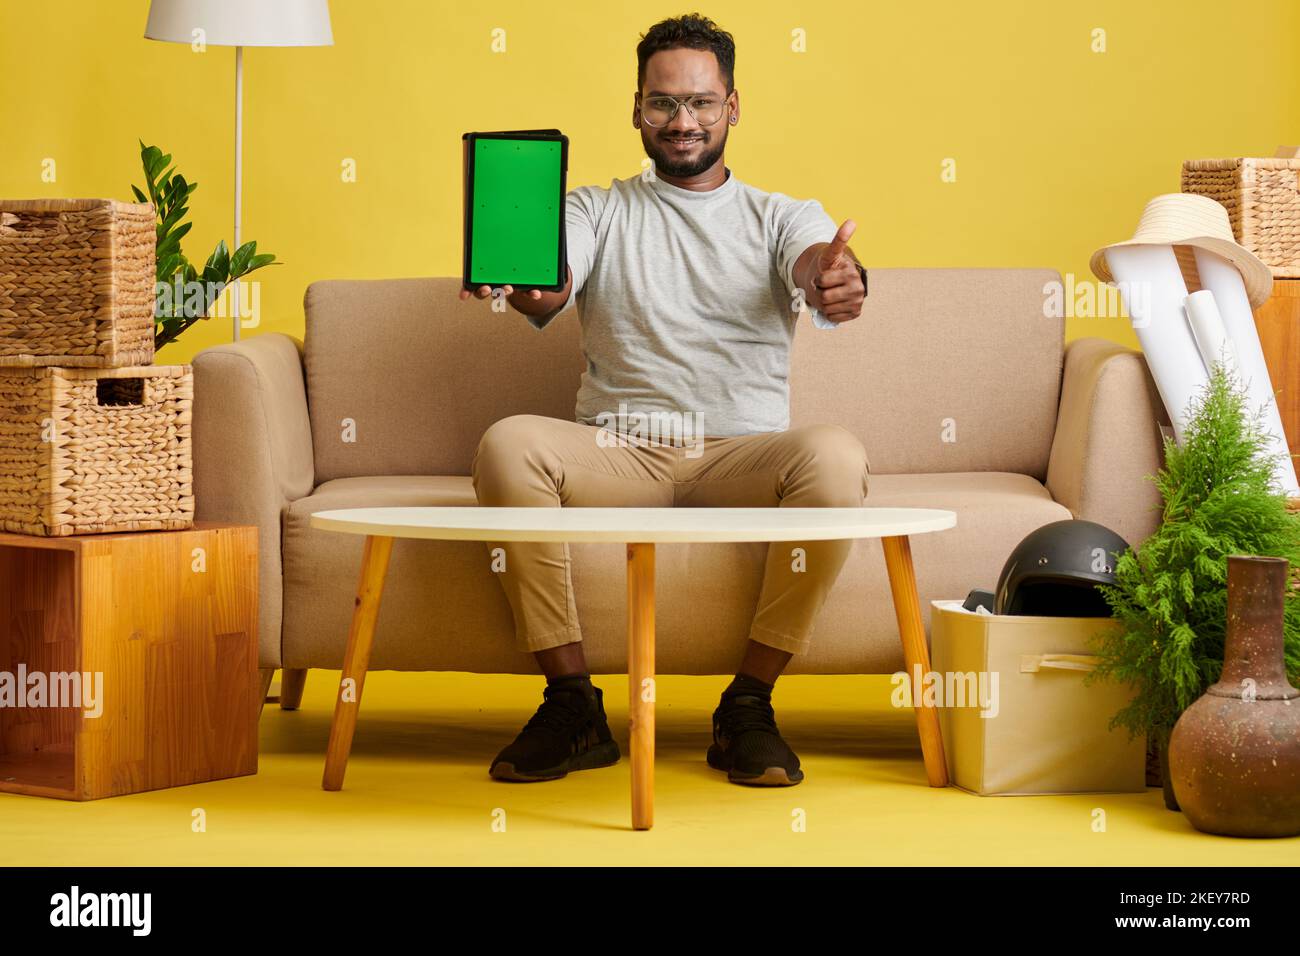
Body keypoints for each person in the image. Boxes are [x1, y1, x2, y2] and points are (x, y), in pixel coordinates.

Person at [459, 13, 870, 787]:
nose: (683, 124)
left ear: (733, 106)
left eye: (701, 104)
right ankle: (573, 704)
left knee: (837, 457)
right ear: (637, 108)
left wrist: (835, 279)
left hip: (739, 454)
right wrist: (518, 278)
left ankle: (748, 704)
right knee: (507, 443)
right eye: (663, 105)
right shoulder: (595, 208)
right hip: (619, 451)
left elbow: (816, 261)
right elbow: (555, 280)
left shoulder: (781, 215)